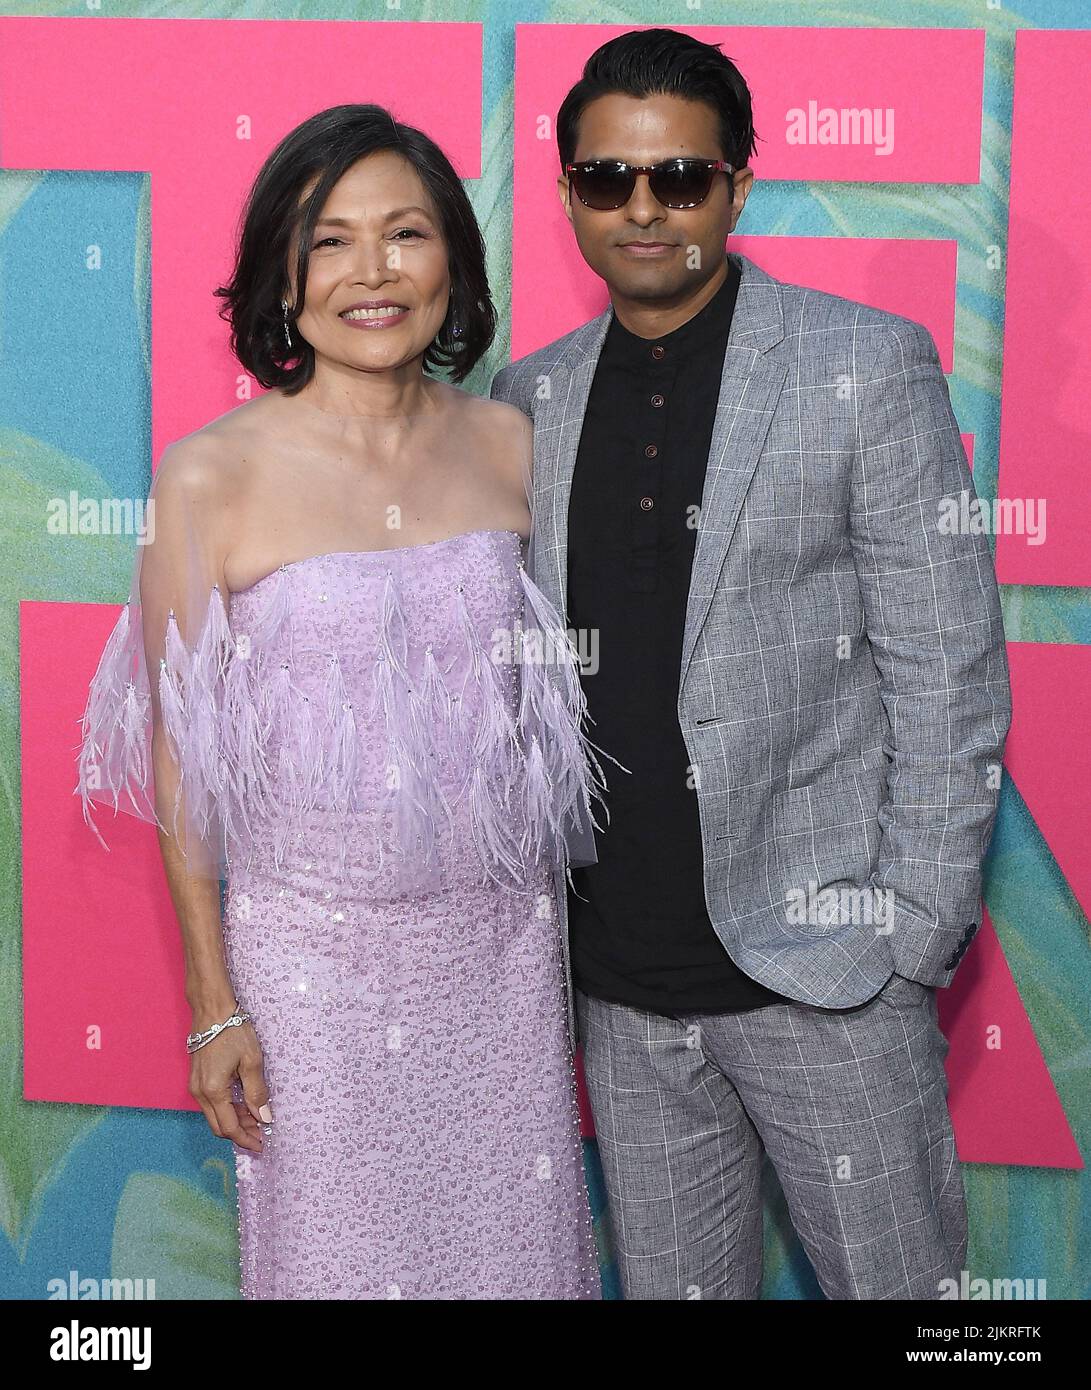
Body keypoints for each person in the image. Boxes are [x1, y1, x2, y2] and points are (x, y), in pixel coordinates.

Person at [490, 28, 1012, 1299]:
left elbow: (947, 666)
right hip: (615, 984)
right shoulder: (527, 397)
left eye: (680, 177)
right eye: (608, 180)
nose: (644, 209)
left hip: (824, 971)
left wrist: (907, 937)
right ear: (566, 195)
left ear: (737, 183)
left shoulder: (860, 361)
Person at [76, 104, 607, 1300]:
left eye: (405, 234)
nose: (371, 272)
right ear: (282, 272)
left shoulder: (515, 445)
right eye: (329, 242)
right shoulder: (212, 473)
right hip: (308, 972)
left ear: (452, 265)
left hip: (499, 958)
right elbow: (182, 762)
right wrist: (216, 1007)